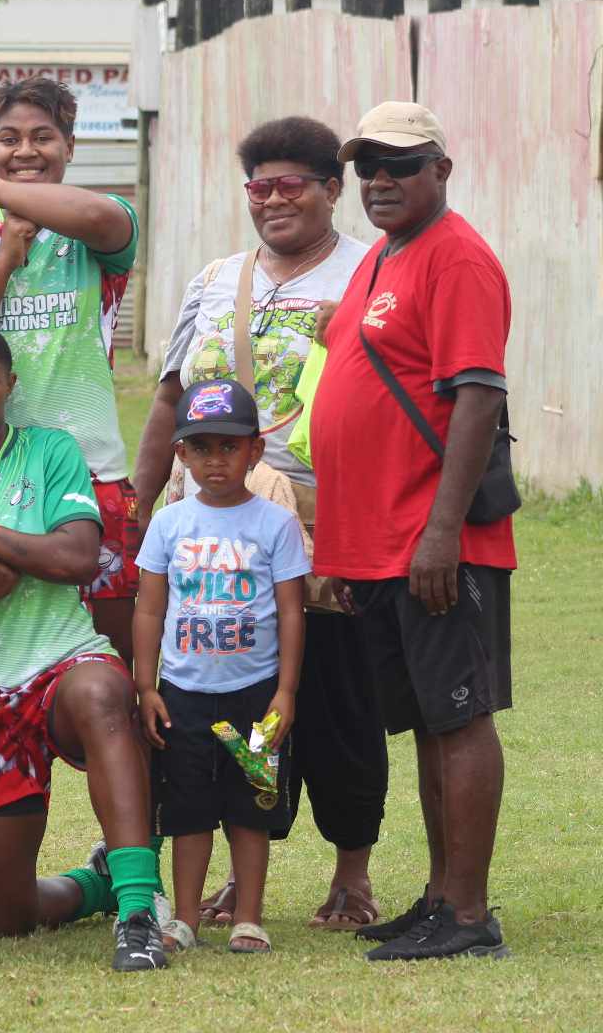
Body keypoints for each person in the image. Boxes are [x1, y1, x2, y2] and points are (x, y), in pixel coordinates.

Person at [132, 117, 388, 932]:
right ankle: (244, 889)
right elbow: (170, 398)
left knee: (339, 707)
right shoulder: (215, 280)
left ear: (331, 190)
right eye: (260, 187)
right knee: (226, 712)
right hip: (210, 535)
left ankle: (352, 875)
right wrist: (141, 509)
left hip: (332, 533)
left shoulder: (369, 272)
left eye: (292, 185)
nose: (274, 200)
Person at [311, 102, 514, 962]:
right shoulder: (387, 258)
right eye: (368, 167)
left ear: (442, 168)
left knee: (460, 718)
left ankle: (467, 915)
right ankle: (438, 898)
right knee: (432, 721)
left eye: (400, 163)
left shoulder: (457, 257)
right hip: (381, 541)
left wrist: (438, 534)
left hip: (434, 542)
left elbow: (478, 394)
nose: (380, 180)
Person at [0, 323, 165, 972]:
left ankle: (138, 911)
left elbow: (78, 556)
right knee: (1, 917)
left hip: (64, 670)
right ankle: (95, 884)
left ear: (8, 386)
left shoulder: (47, 453)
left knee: (104, 689)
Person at [0, 77, 140, 667]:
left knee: (116, 673)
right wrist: (5, 259)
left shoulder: (95, 228)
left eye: (43, 137)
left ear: (71, 147)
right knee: (6, 661)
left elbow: (102, 217)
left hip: (93, 472)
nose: (25, 152)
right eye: (8, 139)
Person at [135, 378, 309, 955]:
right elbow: (151, 606)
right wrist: (145, 685)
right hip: (182, 693)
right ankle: (184, 918)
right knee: (187, 811)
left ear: (254, 452)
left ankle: (248, 917)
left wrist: (285, 692)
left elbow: (290, 612)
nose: (216, 460)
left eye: (229, 447)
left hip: (254, 695)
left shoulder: (275, 525)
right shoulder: (169, 524)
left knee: (249, 807)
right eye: (201, 447)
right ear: (180, 454)